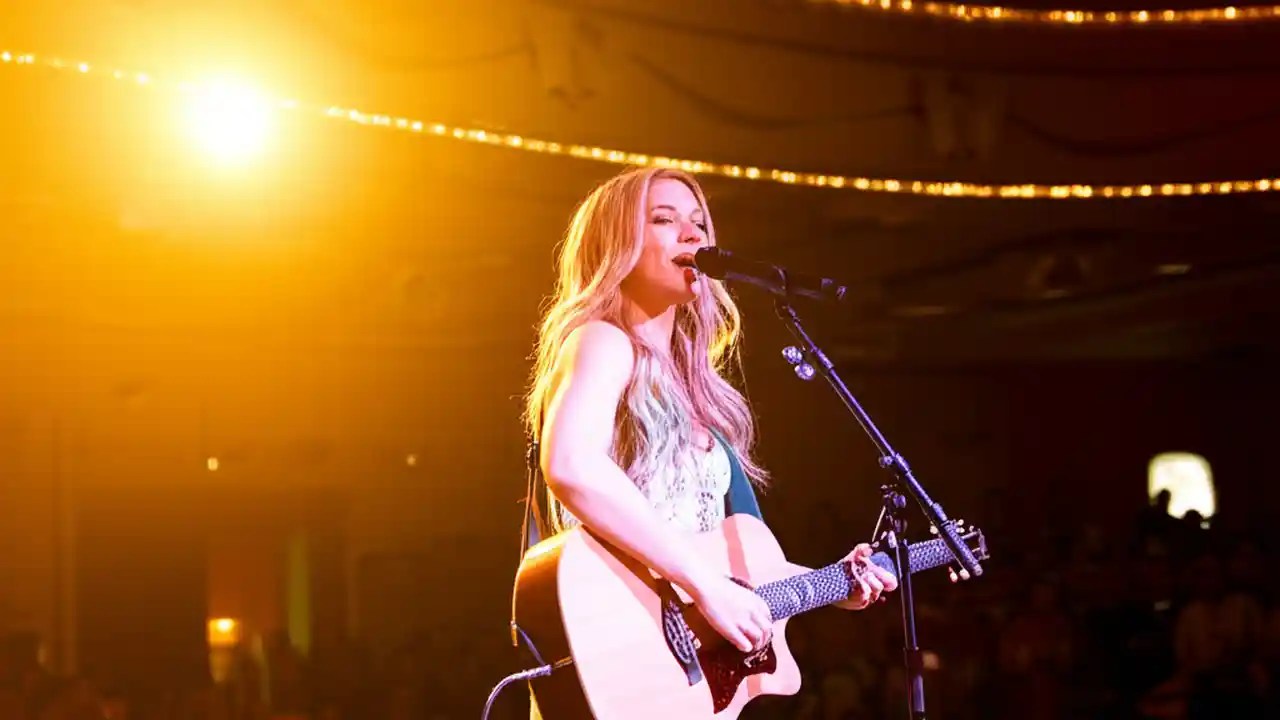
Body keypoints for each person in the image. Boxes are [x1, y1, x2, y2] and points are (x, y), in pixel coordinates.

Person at [523, 166, 898, 715]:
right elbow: (573, 464)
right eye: (664, 219)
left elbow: (721, 566)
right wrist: (706, 586)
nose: (693, 234)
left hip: (679, 673)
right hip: (620, 656)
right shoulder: (602, 340)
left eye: (699, 222)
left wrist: (830, 581)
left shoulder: (695, 388)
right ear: (615, 243)